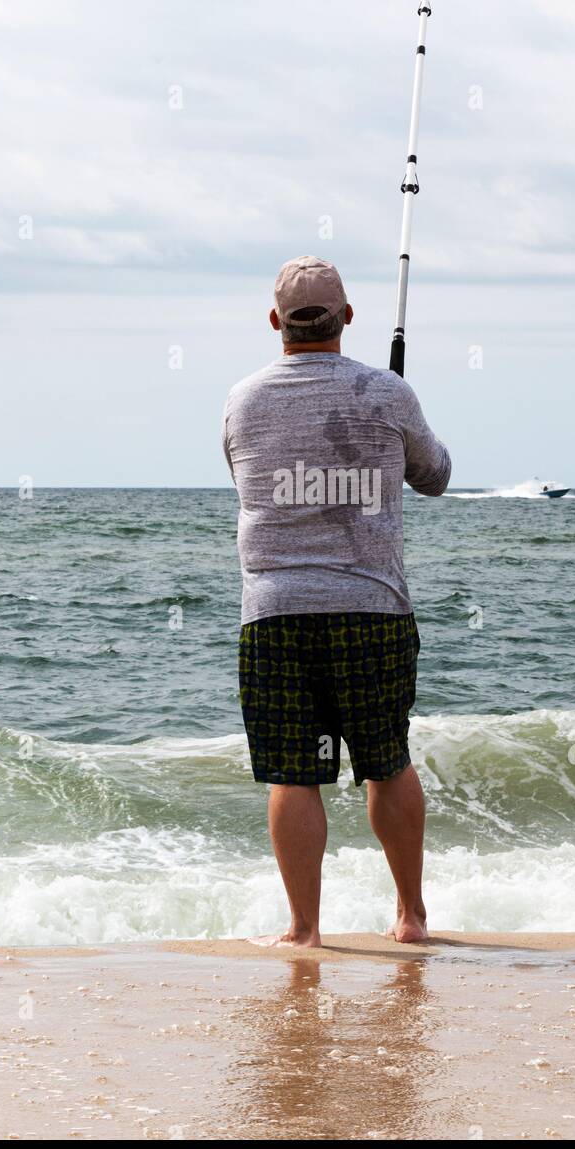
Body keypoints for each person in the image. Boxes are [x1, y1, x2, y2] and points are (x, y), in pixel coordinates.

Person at [222, 255, 451, 947]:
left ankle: (304, 930)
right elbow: (435, 476)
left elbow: (244, 471)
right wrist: (394, 411)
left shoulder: (243, 399)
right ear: (348, 317)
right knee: (387, 760)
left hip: (276, 610)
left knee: (294, 773)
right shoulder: (387, 393)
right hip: (372, 609)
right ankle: (410, 916)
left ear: (274, 323)